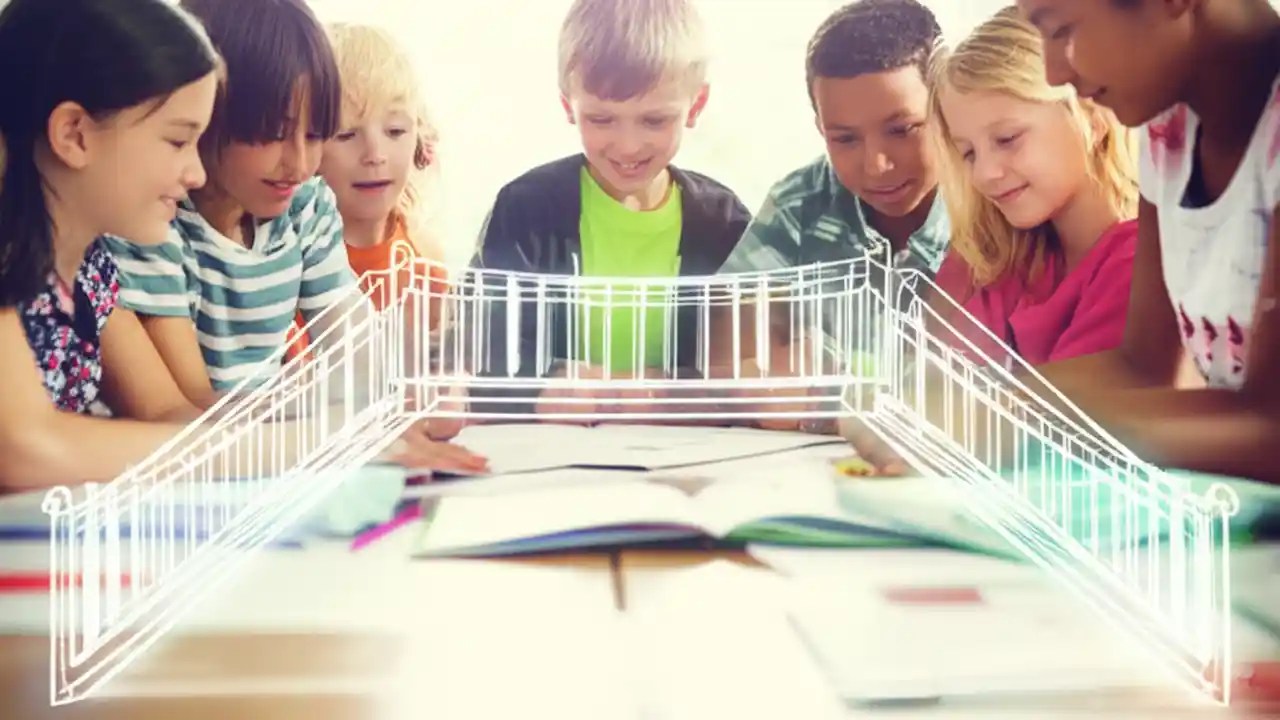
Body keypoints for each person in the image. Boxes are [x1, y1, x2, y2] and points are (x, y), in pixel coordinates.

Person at [101, 0, 482, 469]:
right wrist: (325, 420)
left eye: (317, 134)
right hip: (212, 463)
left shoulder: (305, 206)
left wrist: (414, 394)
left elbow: (359, 350)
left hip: (273, 454)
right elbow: (191, 407)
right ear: (208, 115)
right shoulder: (154, 227)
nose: (299, 164)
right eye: (273, 134)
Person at [468, 0, 750, 418]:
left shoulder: (724, 223)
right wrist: (546, 385)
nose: (628, 146)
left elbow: (745, 364)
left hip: (683, 441)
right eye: (601, 120)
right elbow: (483, 344)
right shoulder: (524, 210)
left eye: (654, 121)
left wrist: (659, 392)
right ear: (568, 106)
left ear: (695, 106)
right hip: (551, 440)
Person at [0, 0, 221, 490]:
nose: (197, 174)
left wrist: (312, 436)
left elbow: (165, 410)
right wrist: (285, 447)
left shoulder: (90, 270)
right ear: (75, 135)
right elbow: (26, 448)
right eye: (178, 141)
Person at [928, 7, 1139, 367]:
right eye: (968, 153)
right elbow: (927, 373)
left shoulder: (1138, 265)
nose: (984, 174)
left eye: (1007, 139)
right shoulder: (999, 257)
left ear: (1092, 117)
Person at [286, 23, 450, 362]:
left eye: (395, 131)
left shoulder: (426, 258)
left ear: (419, 137)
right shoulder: (285, 263)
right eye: (346, 135)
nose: (375, 154)